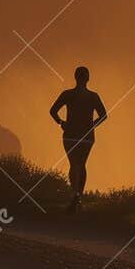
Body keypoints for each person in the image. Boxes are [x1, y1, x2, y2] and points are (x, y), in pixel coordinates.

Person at [49, 66, 107, 213]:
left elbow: (53, 111)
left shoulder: (68, 94)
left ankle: (75, 196)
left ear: (75, 77)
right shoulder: (93, 96)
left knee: (74, 164)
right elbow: (104, 116)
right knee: (81, 165)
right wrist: (92, 124)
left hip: (70, 135)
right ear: (88, 79)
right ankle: (78, 196)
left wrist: (61, 123)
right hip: (87, 137)